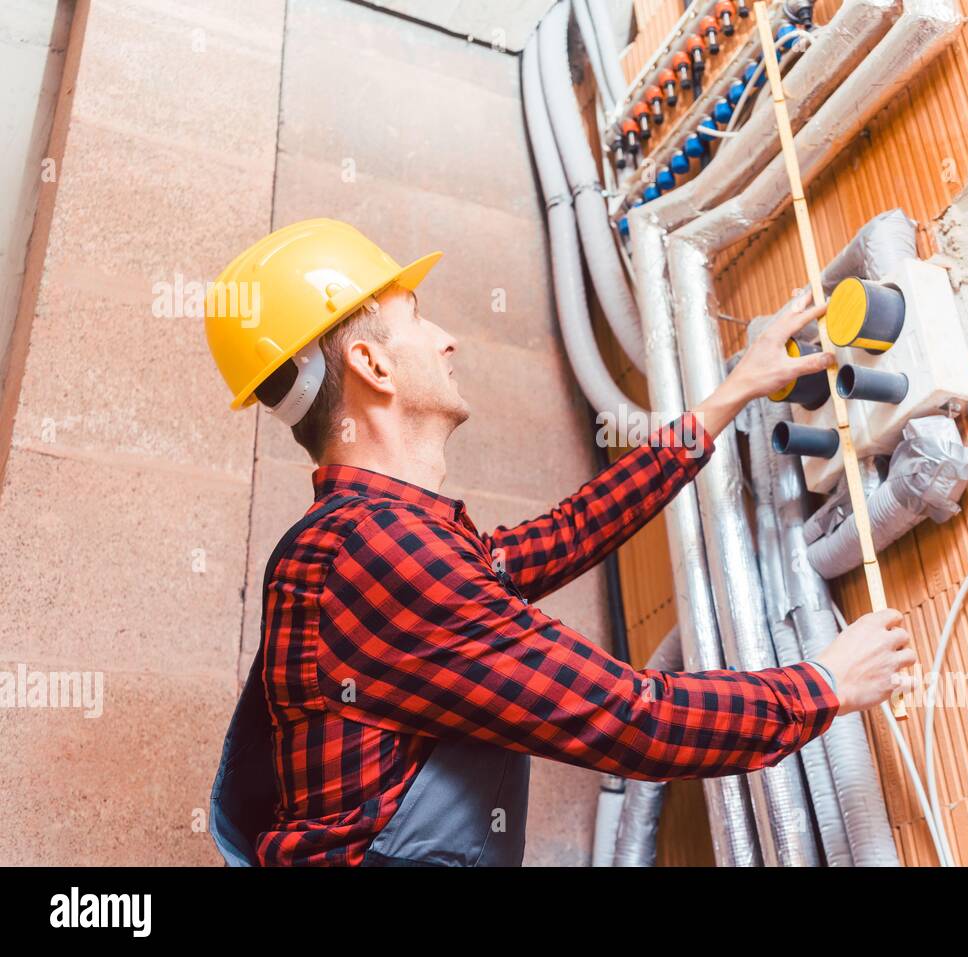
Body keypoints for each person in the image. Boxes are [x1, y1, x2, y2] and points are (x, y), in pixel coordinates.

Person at [205, 219, 914, 866]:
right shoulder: (376, 552)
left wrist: (724, 399)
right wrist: (822, 686)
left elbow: (559, 537)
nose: (447, 338)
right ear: (373, 366)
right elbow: (633, 720)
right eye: (417, 320)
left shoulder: (373, 540)